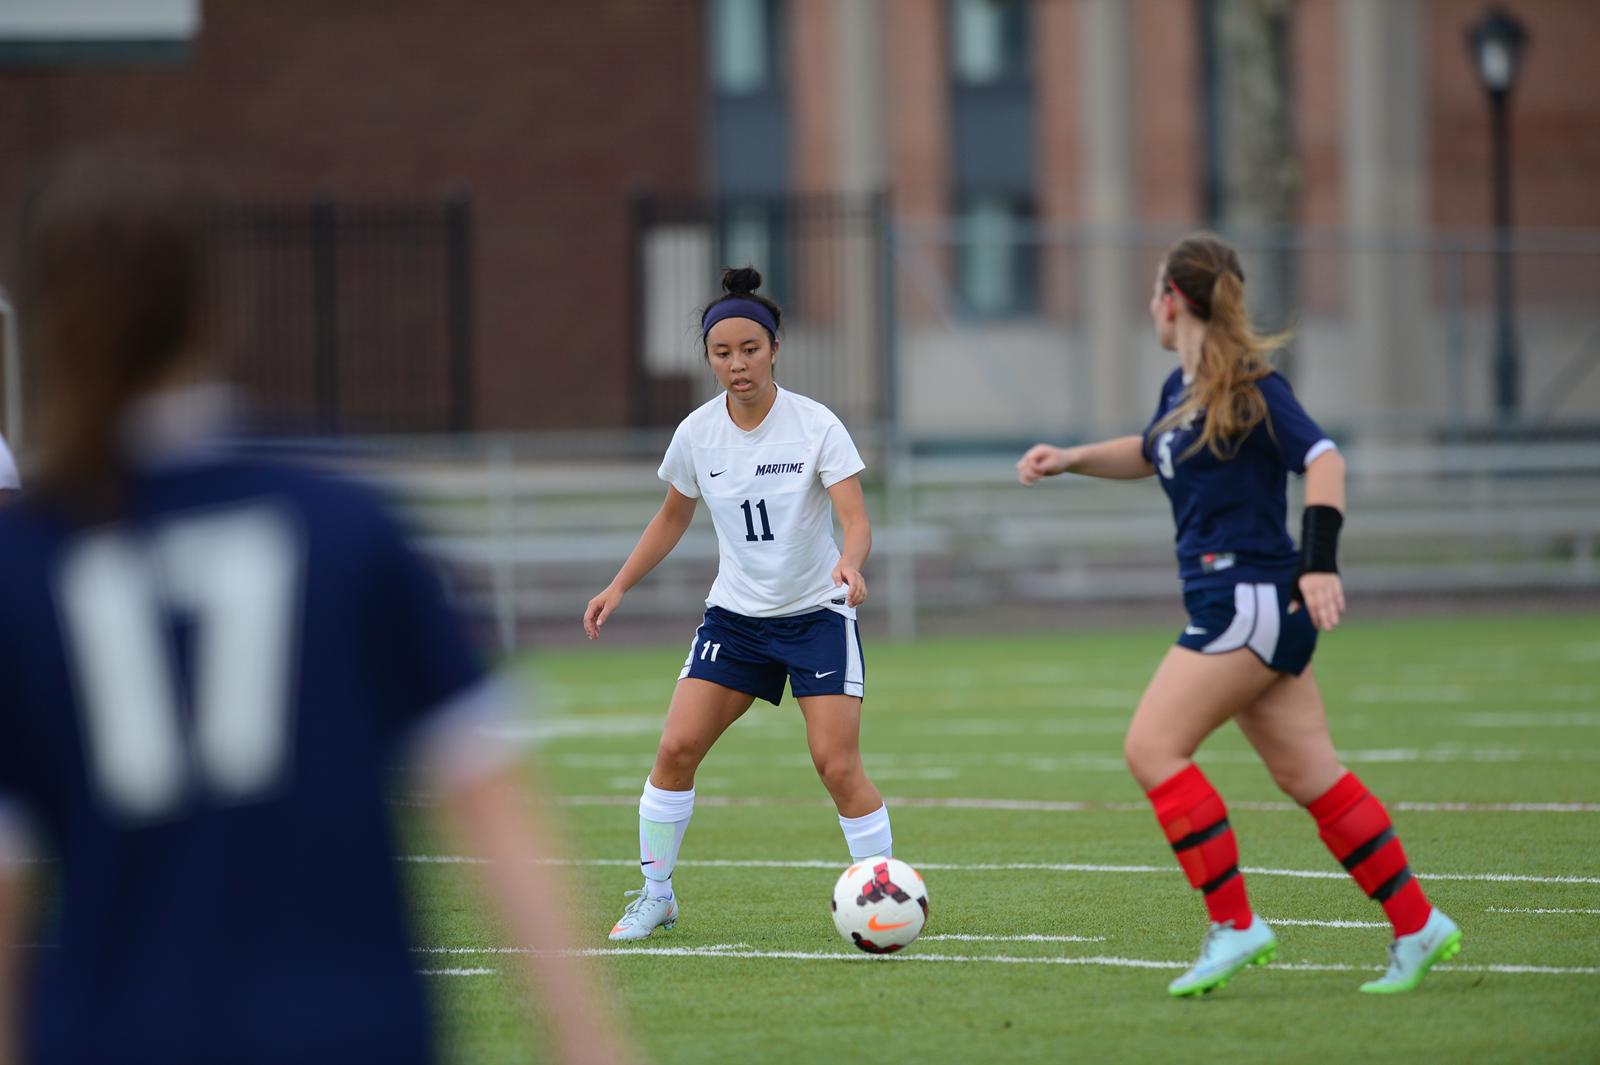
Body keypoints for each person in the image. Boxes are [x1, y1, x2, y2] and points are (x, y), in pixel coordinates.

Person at [0, 158, 633, 1065]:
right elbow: (490, 801)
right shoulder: (345, 517)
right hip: (349, 1022)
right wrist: (588, 1042)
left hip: (118, 1029)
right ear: (214, 308)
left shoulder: (29, 564)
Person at [1017, 232, 1460, 997]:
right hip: (1251, 606)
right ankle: (1417, 923)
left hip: (1247, 599)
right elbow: (1150, 450)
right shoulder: (1181, 389)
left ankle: (1236, 923)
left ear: (1173, 300)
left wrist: (1319, 561)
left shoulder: (1252, 385)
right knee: (1310, 774)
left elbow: (1324, 459)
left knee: (1152, 748)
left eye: (1154, 288)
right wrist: (1071, 458)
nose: (1149, 303)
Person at [584, 267, 889, 941]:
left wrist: (850, 561)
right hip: (736, 620)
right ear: (709, 358)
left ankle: (883, 895)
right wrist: (619, 584)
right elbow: (671, 516)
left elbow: (856, 519)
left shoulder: (816, 425)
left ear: (775, 348)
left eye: (750, 348)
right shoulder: (696, 433)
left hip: (816, 615)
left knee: (837, 765)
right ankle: (656, 895)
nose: (737, 363)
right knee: (675, 748)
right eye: (722, 352)